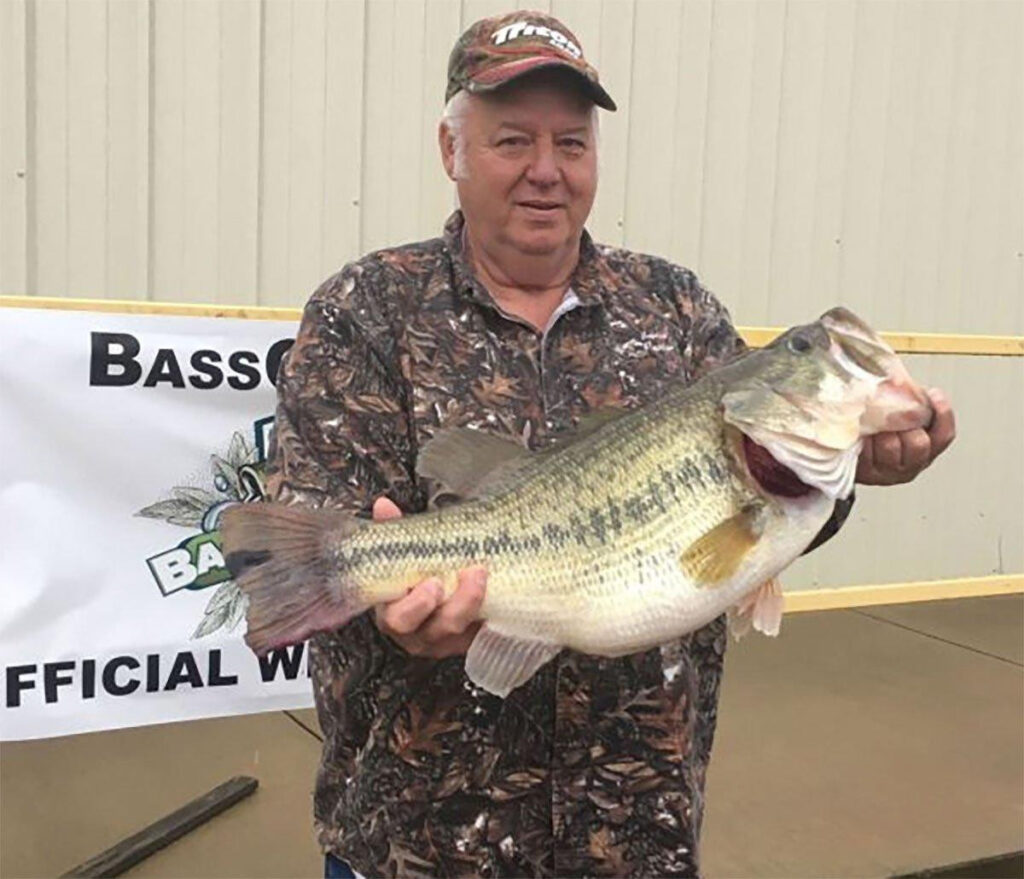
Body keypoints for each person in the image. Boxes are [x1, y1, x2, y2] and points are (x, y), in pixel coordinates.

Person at [264, 11, 956, 878]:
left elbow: (770, 509)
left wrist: (857, 472)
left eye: (572, 143)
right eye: (512, 140)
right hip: (419, 844)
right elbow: (315, 522)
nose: (546, 170)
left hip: (635, 841)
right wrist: (387, 612)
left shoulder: (677, 308)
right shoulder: (365, 309)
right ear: (452, 151)